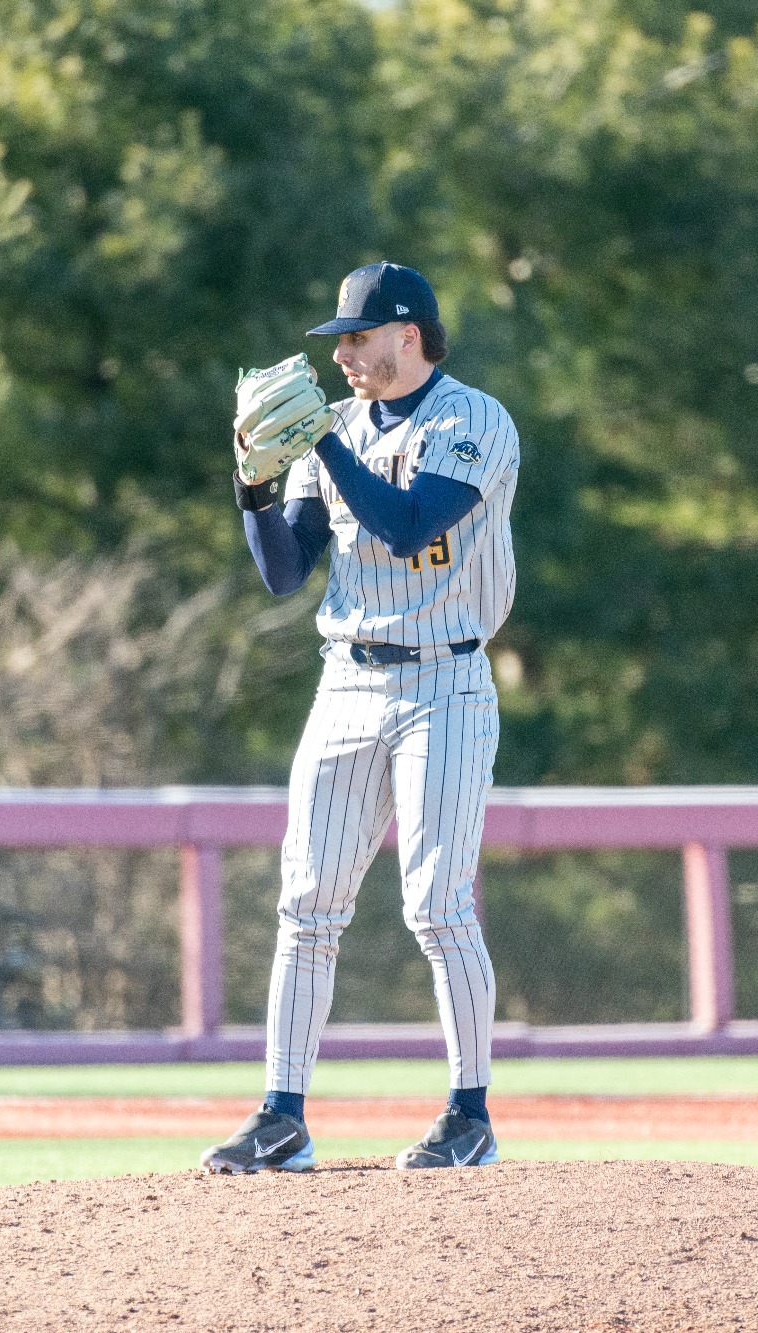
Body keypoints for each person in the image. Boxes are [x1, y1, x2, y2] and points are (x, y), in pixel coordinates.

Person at [203, 262, 517, 1173]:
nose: (341, 353)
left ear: (408, 335)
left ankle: (469, 1112)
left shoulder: (472, 420)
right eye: (338, 338)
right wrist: (254, 487)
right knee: (306, 904)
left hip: (444, 682)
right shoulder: (331, 429)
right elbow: (285, 569)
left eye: (357, 336)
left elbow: (412, 523)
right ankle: (282, 1113)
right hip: (347, 680)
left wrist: (322, 448)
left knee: (437, 904)